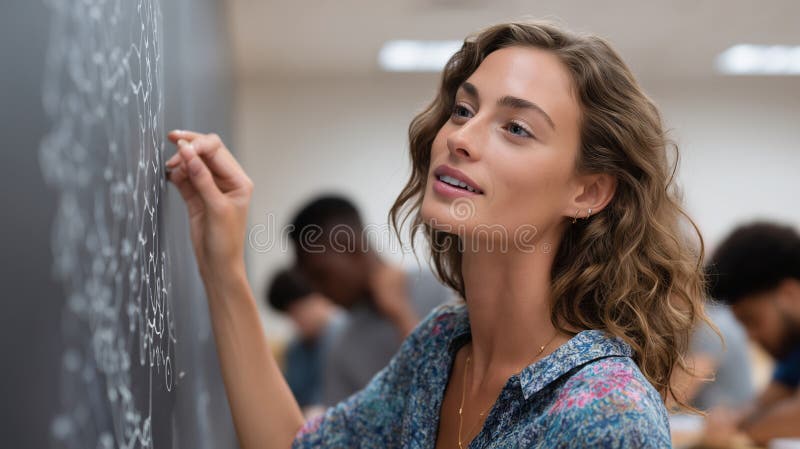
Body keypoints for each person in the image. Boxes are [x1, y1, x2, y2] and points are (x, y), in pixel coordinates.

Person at [164, 19, 710, 449]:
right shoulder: (441, 345)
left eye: (516, 128)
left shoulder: (606, 417)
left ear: (588, 193)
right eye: (463, 109)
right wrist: (222, 266)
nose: (462, 137)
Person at [287, 194, 453, 405]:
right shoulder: (341, 346)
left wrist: (401, 314)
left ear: (350, 245)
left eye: (321, 275)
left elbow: (455, 392)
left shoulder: (442, 292)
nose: (319, 291)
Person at [702, 222, 800, 446]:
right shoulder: (794, 348)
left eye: (752, 320)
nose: (751, 336)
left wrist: (741, 427)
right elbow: (767, 403)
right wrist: (731, 418)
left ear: (789, 293)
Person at [266, 267, 346, 414]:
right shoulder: (296, 348)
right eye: (291, 314)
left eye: (299, 310)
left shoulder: (343, 335)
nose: (297, 321)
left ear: (318, 297)